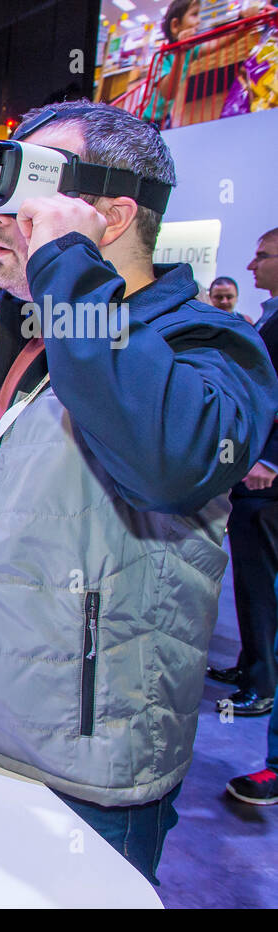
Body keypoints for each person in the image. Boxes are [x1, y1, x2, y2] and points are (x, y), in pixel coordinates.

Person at [0, 99, 278, 883]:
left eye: (29, 199)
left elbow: (168, 459)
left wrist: (65, 266)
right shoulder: (29, 331)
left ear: (112, 213)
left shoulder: (204, 341)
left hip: (79, 765)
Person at [212, 229, 278, 717]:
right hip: (250, 473)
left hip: (265, 479)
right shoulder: (267, 317)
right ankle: (250, 662)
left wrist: (269, 459)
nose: (253, 265)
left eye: (263, 256)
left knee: (260, 586)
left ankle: (263, 684)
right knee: (250, 582)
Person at [142, 0, 201, 129]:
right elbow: (168, 93)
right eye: (194, 14)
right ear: (175, 25)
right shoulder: (162, 57)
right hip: (148, 118)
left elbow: (216, 44)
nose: (199, 21)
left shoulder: (190, 51)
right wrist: (180, 53)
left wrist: (240, 25)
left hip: (165, 115)